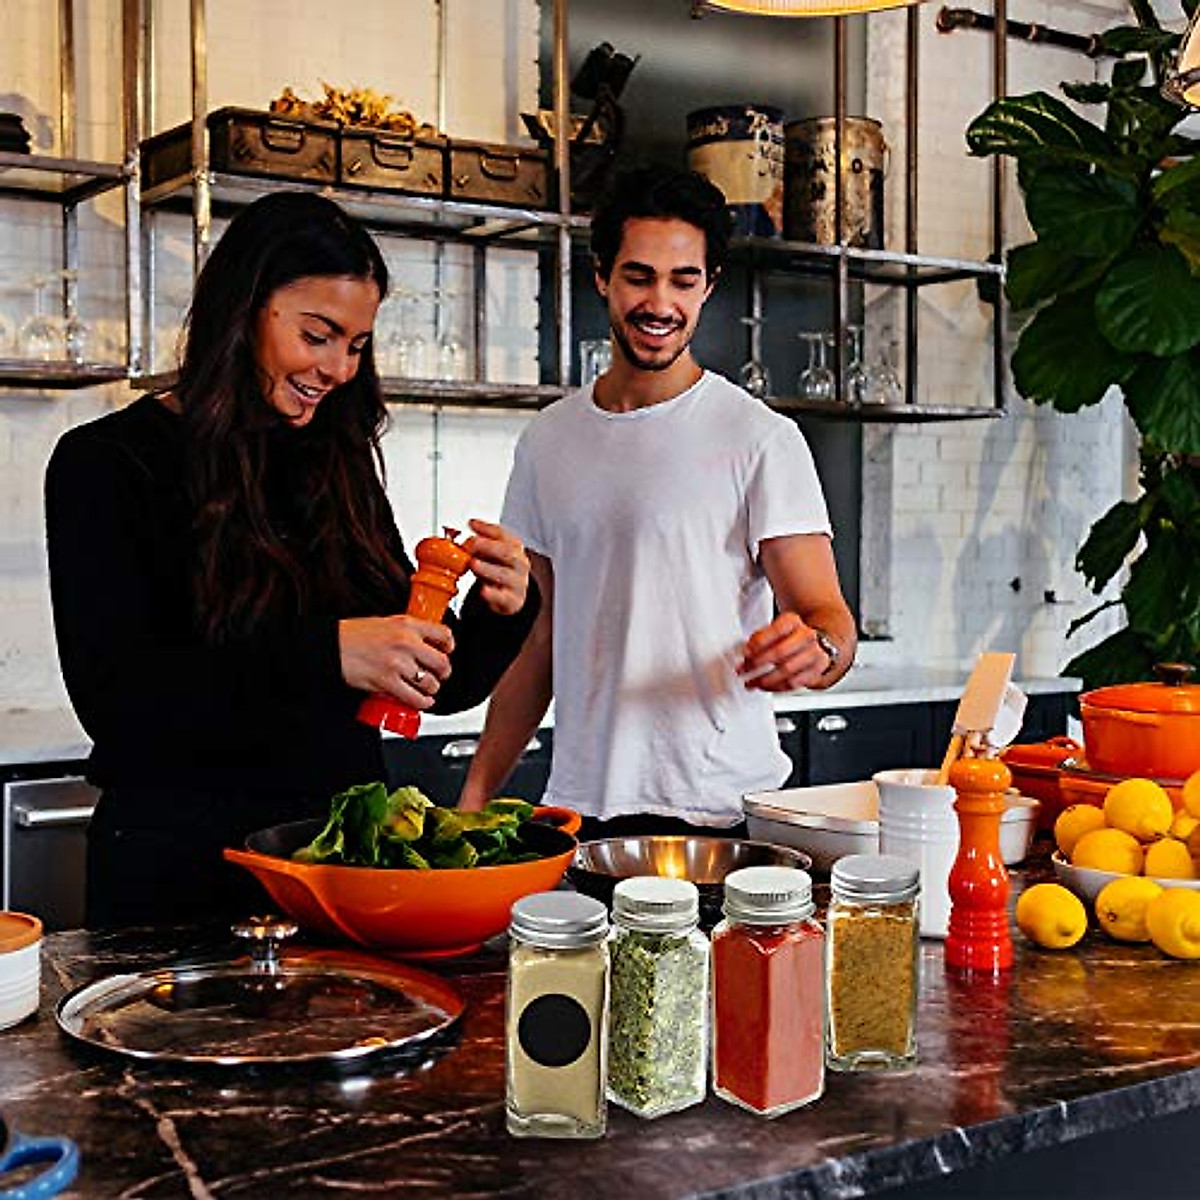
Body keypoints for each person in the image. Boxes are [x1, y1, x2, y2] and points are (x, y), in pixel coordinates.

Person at [45, 191, 538, 928]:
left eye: (357, 344)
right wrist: (329, 654)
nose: (338, 368)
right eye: (318, 335)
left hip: (337, 875)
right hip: (178, 880)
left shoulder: (338, 464)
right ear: (243, 310)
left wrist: (501, 610)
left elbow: (430, 686)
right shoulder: (106, 463)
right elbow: (118, 704)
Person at [458, 163, 856, 840]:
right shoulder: (548, 440)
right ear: (602, 277)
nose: (660, 303)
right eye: (639, 277)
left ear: (709, 286)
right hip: (582, 809)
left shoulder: (760, 437)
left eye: (683, 280)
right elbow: (538, 639)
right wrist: (473, 798)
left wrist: (817, 651)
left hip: (719, 810)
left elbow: (829, 620)